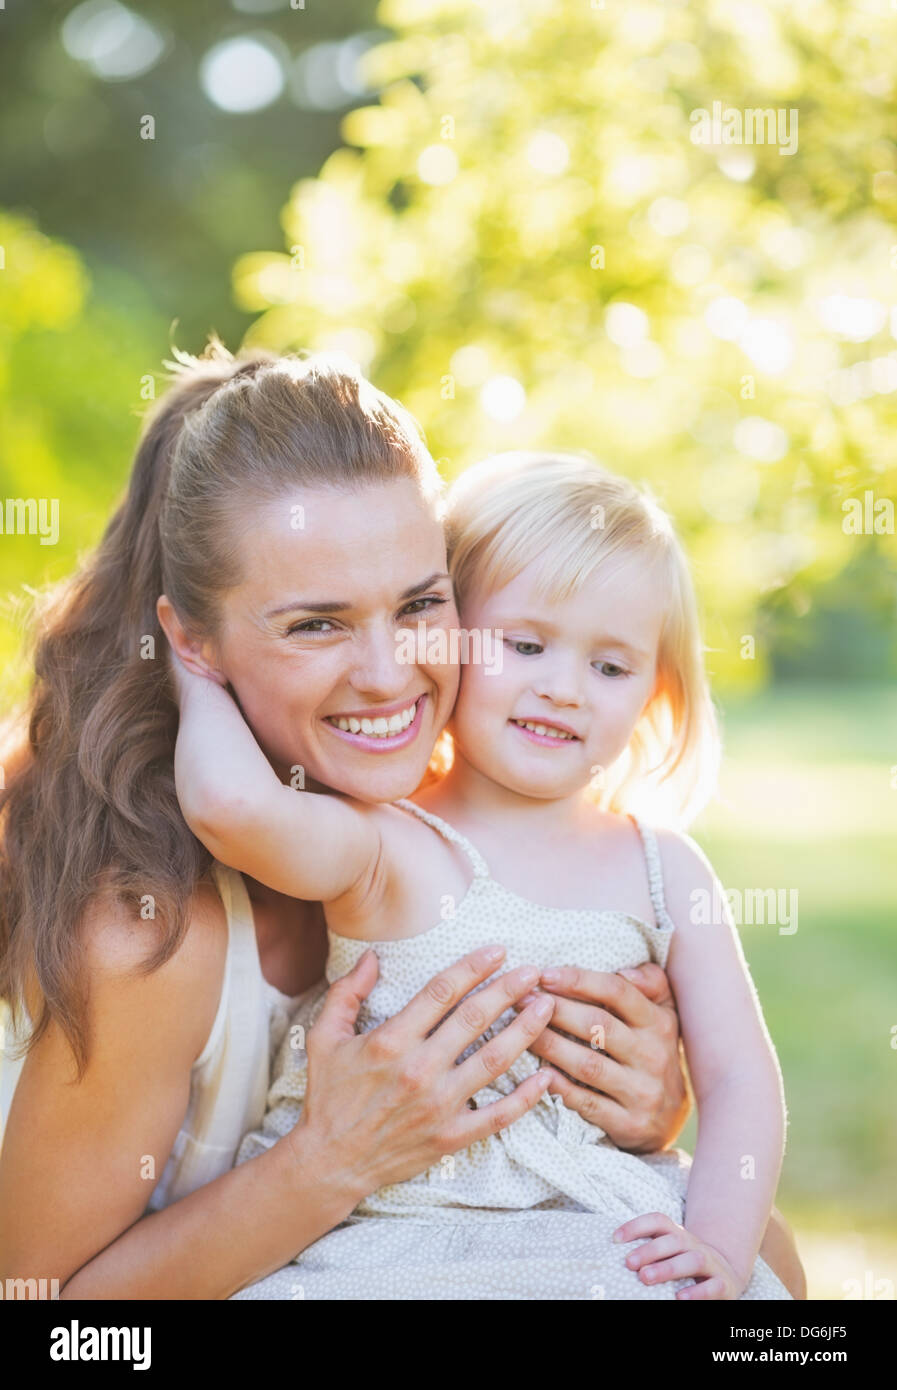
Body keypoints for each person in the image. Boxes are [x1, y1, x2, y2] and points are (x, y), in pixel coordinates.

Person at [0, 343, 703, 1299]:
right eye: (316, 624)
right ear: (194, 645)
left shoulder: (446, 823)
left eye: (419, 603)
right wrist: (328, 1164)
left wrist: (635, 1119)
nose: (388, 673)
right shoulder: (153, 934)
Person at [171, 448, 804, 1300]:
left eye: (608, 666)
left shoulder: (665, 871)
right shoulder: (387, 840)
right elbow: (231, 810)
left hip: (595, 1229)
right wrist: (194, 664)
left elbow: (739, 1079)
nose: (563, 689)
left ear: (653, 693)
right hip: (393, 1245)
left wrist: (719, 1249)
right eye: (526, 645)